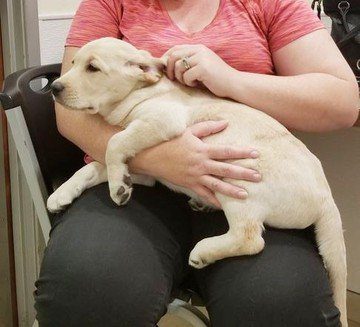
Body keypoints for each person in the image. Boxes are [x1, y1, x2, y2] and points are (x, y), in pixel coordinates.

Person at [34, 0, 359, 326]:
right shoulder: (108, 3)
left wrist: (232, 80)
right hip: (134, 187)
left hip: (242, 183)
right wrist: (159, 159)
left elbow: (343, 103)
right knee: (83, 289)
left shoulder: (269, 3)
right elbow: (68, 110)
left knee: (281, 304)